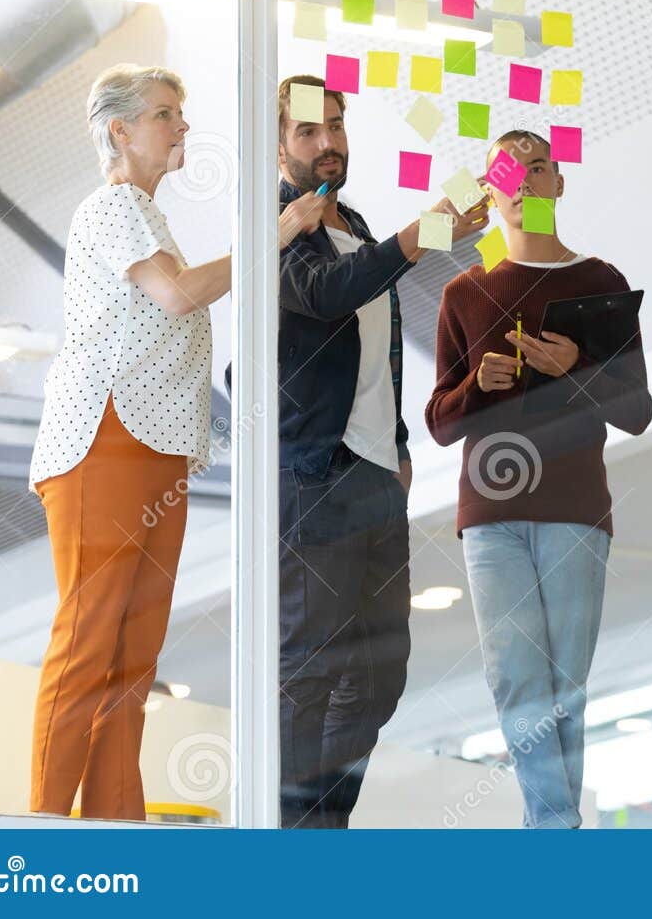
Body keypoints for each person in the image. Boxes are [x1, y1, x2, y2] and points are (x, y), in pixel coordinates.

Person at [28, 64, 324, 820]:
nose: (182, 125)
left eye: (180, 113)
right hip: (106, 435)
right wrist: (277, 233)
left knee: (133, 657)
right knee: (90, 638)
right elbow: (179, 293)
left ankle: (115, 826)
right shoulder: (114, 204)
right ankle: (41, 827)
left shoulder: (147, 217)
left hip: (156, 445)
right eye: (165, 114)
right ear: (119, 131)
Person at [266, 74, 486, 828]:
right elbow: (328, 292)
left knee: (381, 674)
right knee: (310, 672)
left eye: (336, 125)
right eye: (307, 131)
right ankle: (292, 840)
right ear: (278, 145)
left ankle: (320, 826)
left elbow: (375, 337)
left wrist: (396, 445)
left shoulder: (353, 222)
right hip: (313, 471)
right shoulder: (274, 223)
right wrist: (422, 233)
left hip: (374, 472)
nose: (327, 142)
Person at [426, 128, 652, 829]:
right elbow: (438, 421)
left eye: (538, 168)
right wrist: (477, 387)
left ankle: (549, 833)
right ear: (489, 194)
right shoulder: (463, 292)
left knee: (564, 684)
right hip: (489, 513)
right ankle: (557, 831)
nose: (523, 181)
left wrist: (574, 369)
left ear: (559, 183)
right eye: (506, 173)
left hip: (574, 508)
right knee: (514, 676)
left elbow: (637, 411)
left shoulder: (600, 282)